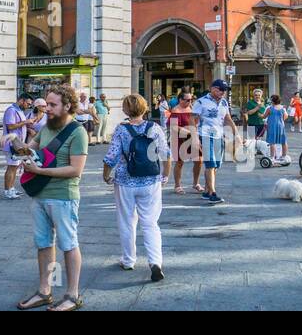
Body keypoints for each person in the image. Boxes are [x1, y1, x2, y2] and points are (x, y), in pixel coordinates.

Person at [12, 85, 89, 312]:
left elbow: (76, 170)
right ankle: (45, 291)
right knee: (44, 244)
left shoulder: (77, 132)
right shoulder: (46, 128)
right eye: (47, 104)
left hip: (63, 196)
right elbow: (28, 149)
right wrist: (15, 142)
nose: (47, 109)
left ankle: (72, 295)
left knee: (68, 244)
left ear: (68, 105)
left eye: (53, 105)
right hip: (40, 195)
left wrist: (40, 171)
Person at [102, 94, 169, 281]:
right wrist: (165, 175)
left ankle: (128, 259)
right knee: (150, 223)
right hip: (150, 181)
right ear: (145, 108)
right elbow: (166, 153)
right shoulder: (155, 128)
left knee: (126, 221)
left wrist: (106, 175)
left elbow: (111, 157)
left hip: (125, 181)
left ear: (125, 110)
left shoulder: (121, 130)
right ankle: (155, 262)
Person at [191, 79, 237, 204]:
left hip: (218, 135)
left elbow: (227, 119)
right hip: (205, 135)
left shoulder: (224, 102)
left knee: (215, 166)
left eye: (224, 90)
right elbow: (193, 120)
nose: (223, 92)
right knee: (210, 165)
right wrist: (195, 137)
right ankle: (212, 193)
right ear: (212, 88)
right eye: (220, 89)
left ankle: (206, 191)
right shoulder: (201, 102)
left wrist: (236, 133)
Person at [1, 94, 37, 199]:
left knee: (15, 167)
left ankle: (11, 188)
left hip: (17, 144)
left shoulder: (19, 110)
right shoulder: (11, 110)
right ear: (21, 100)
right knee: (11, 167)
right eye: (28, 103)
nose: (28, 106)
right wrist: (26, 122)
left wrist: (28, 124)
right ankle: (7, 191)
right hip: (11, 144)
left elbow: (19, 125)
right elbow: (10, 126)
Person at [167, 92, 202, 193]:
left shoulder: (191, 108)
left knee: (199, 160)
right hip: (179, 137)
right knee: (179, 162)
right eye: (187, 100)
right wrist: (187, 132)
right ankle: (177, 185)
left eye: (191, 99)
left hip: (192, 136)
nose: (190, 102)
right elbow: (173, 127)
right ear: (180, 100)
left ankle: (196, 183)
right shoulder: (175, 110)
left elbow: (196, 121)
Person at [265, 95, 288, 162]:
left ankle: (272, 157)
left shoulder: (270, 108)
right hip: (281, 126)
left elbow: (264, 116)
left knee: (272, 142)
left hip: (272, 126)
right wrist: (280, 120)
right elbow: (286, 116)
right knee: (283, 141)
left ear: (272, 101)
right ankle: (284, 155)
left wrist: (260, 115)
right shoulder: (283, 108)